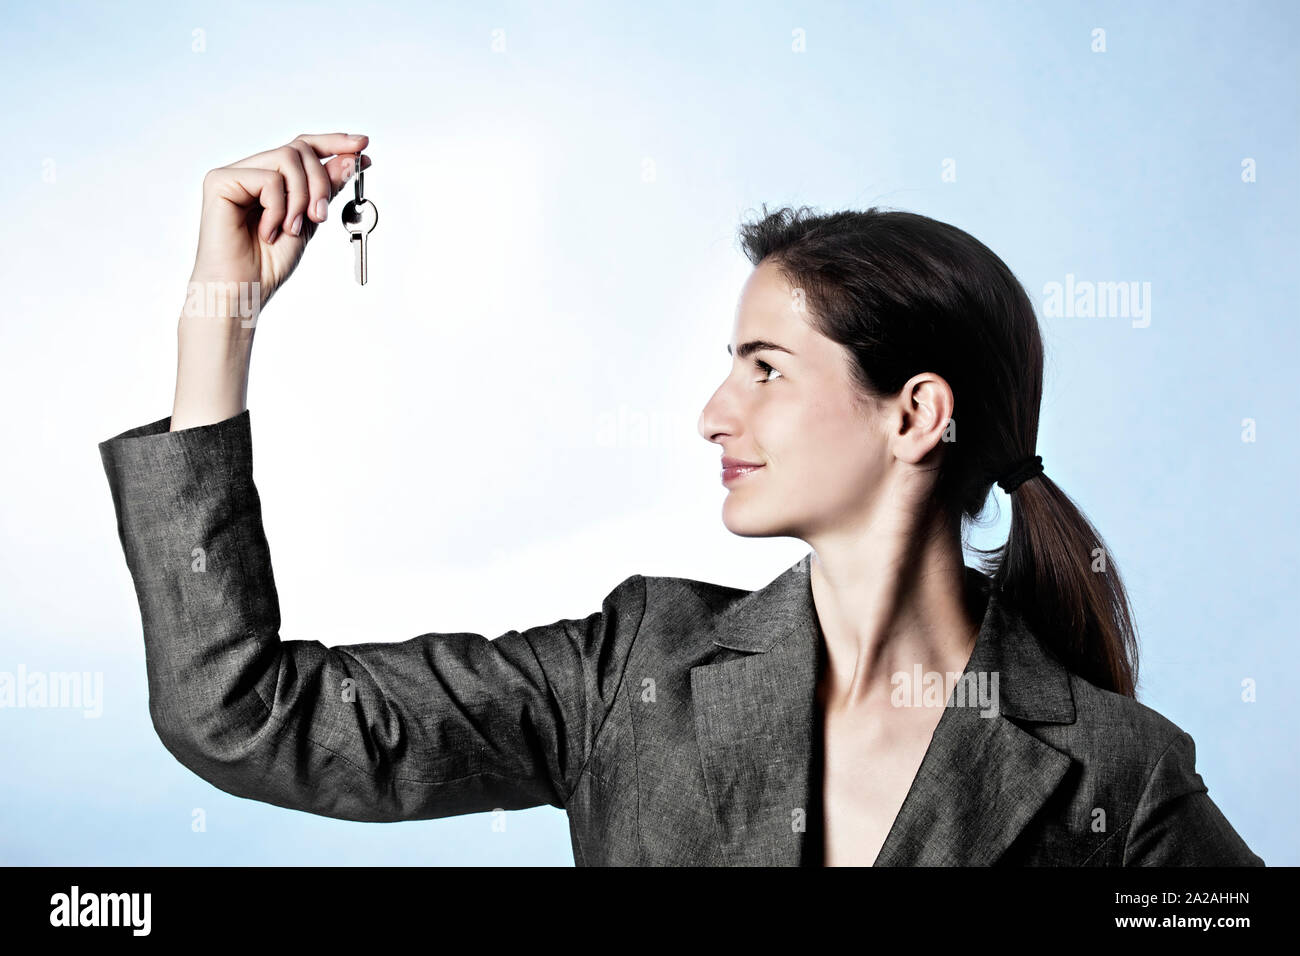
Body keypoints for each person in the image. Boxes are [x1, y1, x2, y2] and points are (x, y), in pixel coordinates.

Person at [99, 133, 1265, 866]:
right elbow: (240, 711)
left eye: (765, 366)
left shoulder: (1119, 774)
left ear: (913, 414)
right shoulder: (627, 674)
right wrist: (222, 313)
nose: (715, 412)